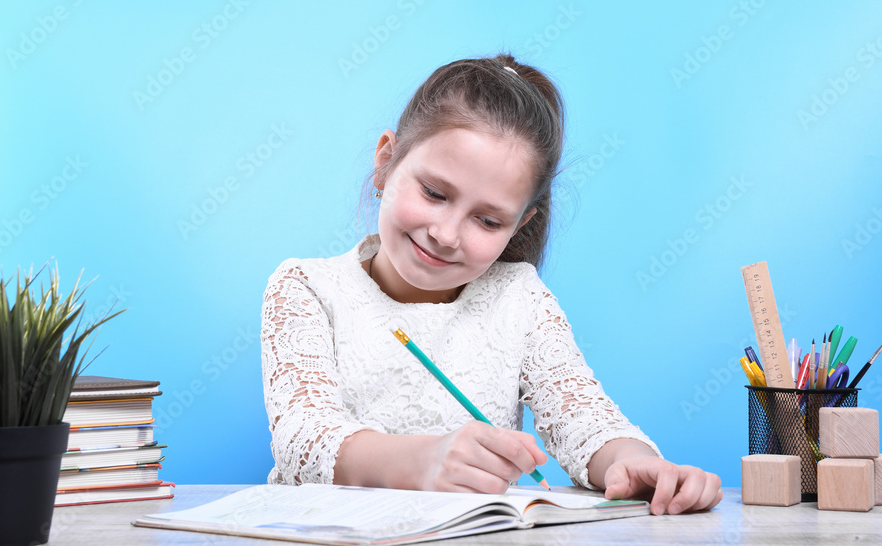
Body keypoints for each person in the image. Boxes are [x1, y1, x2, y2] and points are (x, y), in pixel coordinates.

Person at [261, 54, 722, 516]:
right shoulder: (307, 288)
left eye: (487, 220)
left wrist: (637, 464)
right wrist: (423, 462)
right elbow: (303, 438)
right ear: (385, 161)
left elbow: (585, 420)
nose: (445, 234)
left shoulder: (519, 298)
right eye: (434, 194)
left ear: (520, 224)